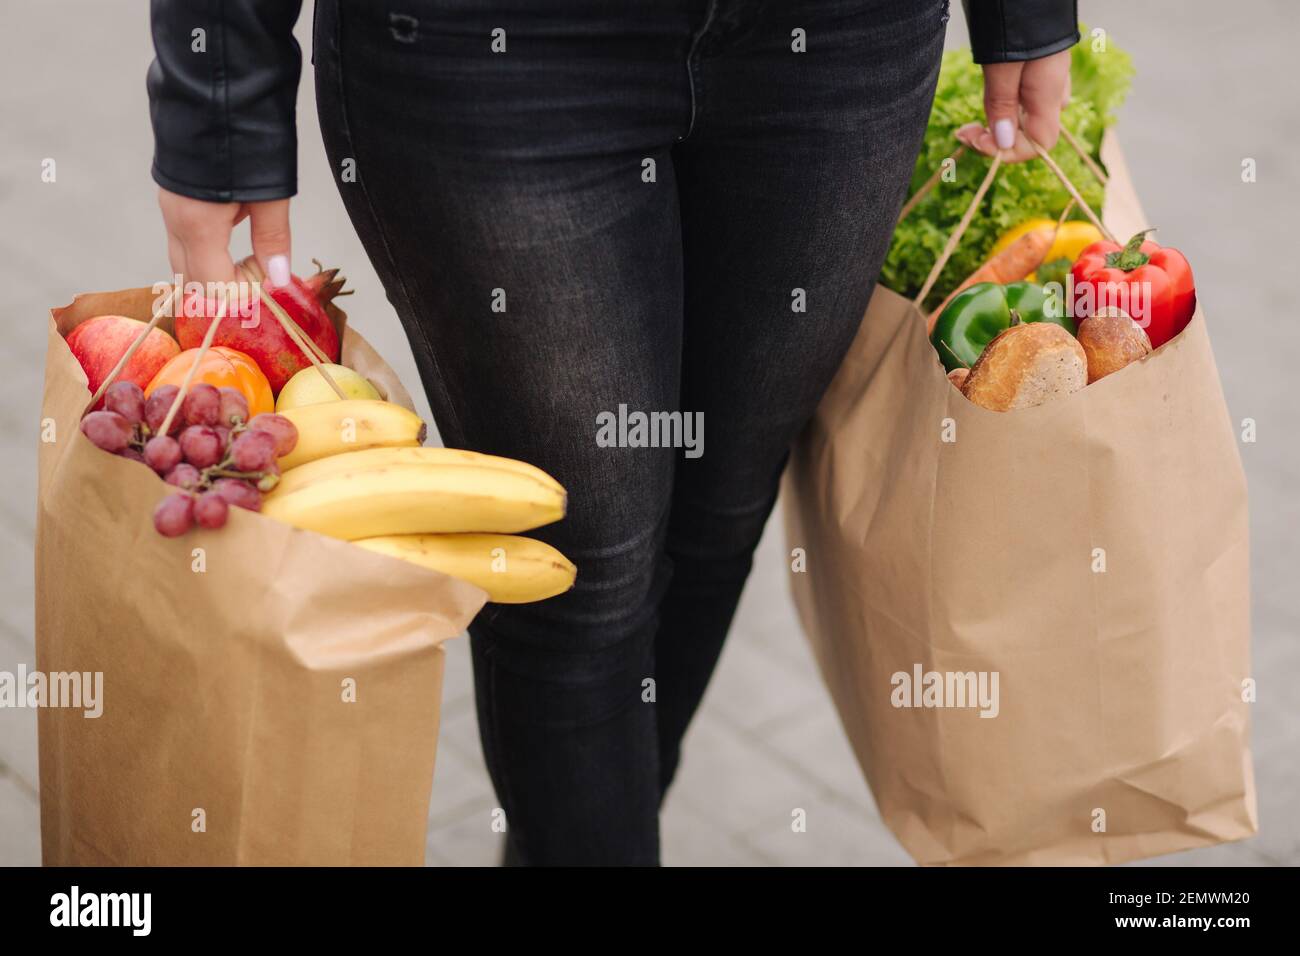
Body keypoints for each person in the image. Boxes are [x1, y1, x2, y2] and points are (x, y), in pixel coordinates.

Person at [148, 0, 1077, 866]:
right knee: (579, 572)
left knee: (717, 520)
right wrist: (216, 101)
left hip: (837, 44)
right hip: (500, 50)